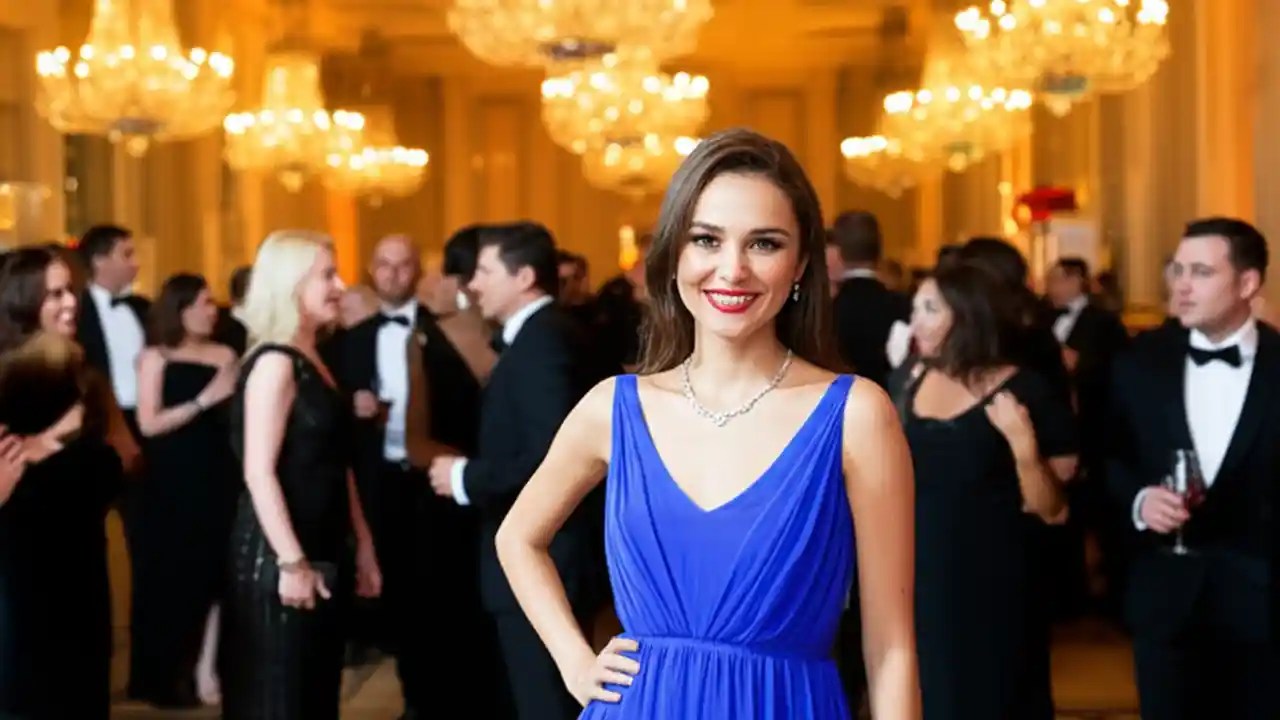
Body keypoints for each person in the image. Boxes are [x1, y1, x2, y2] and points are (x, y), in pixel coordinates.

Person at [492, 128, 920, 718]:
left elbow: (891, 647)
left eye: (764, 244)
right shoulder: (612, 408)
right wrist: (575, 662)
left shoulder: (856, 414)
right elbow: (517, 538)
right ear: (672, 257)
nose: (732, 268)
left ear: (801, 265)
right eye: (707, 239)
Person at [427, 222, 604, 718]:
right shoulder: (549, 333)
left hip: (546, 560)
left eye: (484, 271)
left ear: (524, 276)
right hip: (554, 555)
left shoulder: (543, 342)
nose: (474, 283)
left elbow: (553, 458)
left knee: (546, 703)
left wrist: (465, 477)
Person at [1107, 217, 1278, 720]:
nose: (1181, 284)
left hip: (1263, 603)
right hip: (1165, 601)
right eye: (1177, 269)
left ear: (1247, 283)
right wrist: (1140, 501)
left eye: (1201, 272)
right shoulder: (1138, 362)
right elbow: (1108, 458)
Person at [890, 262, 1075, 719]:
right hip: (919, 576)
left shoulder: (1026, 388)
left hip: (994, 585)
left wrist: (1024, 448)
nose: (915, 321)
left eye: (930, 308)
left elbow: (1052, 510)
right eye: (915, 307)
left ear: (967, 316)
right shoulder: (908, 377)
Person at [219, 230, 383, 720]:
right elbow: (258, 472)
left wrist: (365, 546)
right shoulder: (274, 362)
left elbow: (338, 464)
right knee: (280, 701)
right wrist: (292, 563)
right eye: (327, 275)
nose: (341, 285)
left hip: (320, 550)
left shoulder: (316, 359)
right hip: (278, 559)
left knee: (314, 697)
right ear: (291, 285)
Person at [0, 247, 126, 719]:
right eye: (54, 293)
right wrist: (50, 442)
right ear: (19, 301)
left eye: (69, 290)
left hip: (79, 572)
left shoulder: (83, 375)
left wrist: (47, 448)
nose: (70, 302)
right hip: (19, 580)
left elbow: (121, 465)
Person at [128, 273, 240, 707]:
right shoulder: (155, 357)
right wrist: (203, 400)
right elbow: (149, 424)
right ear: (181, 309)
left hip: (220, 474)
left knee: (218, 576)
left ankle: (208, 669)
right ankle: (169, 672)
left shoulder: (226, 353)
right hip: (172, 479)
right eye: (205, 303)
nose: (213, 311)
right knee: (175, 576)